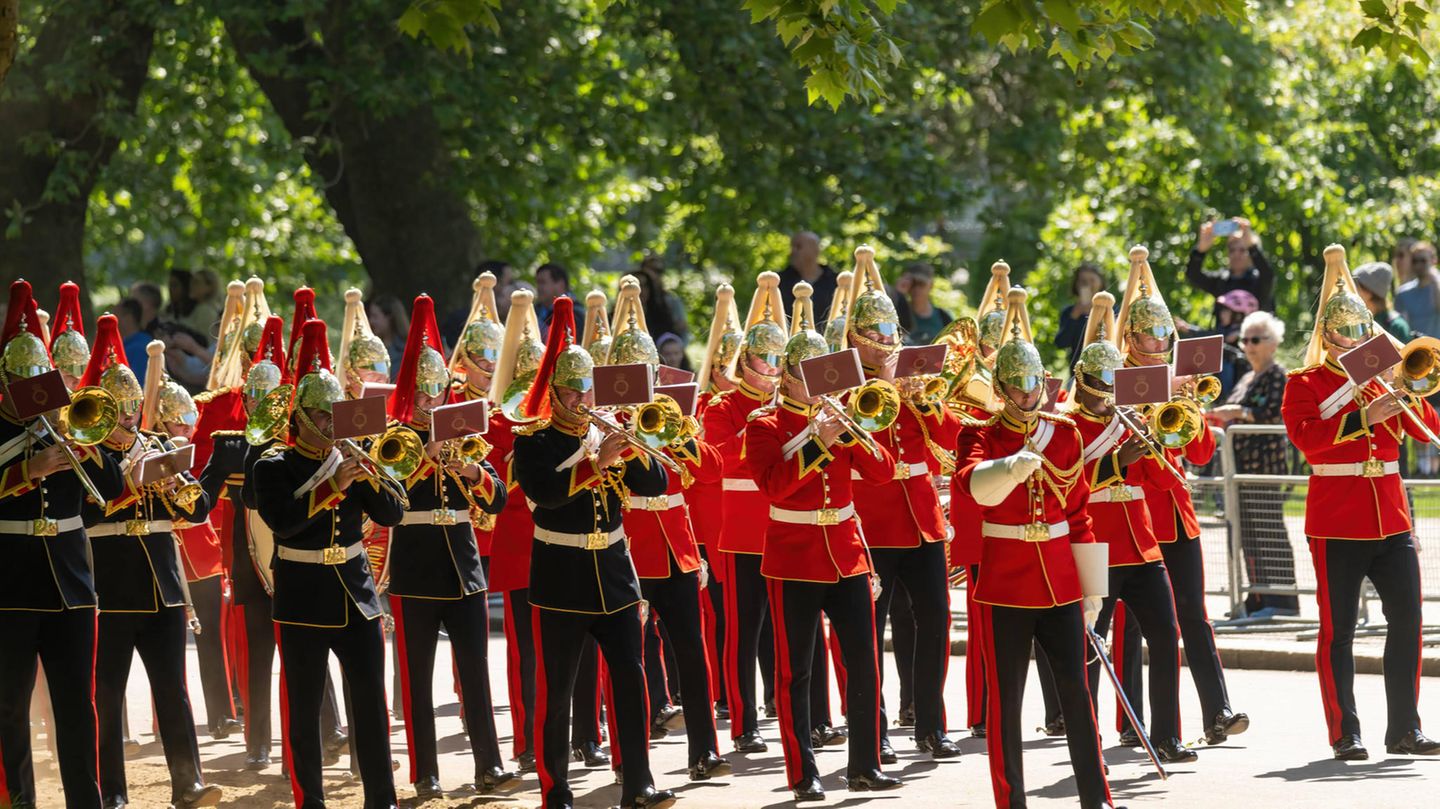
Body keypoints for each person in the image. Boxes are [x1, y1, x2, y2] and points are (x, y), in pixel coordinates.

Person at [511, 295, 677, 809]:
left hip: (615, 572)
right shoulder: (533, 440)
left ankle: (638, 783)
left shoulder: (607, 428)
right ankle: (555, 791)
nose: (581, 398)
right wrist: (596, 461)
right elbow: (546, 494)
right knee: (557, 691)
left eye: (587, 389)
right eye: (571, 390)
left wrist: (630, 441)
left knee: (631, 678)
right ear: (554, 393)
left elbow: (655, 483)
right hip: (561, 576)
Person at [954, 286, 1114, 809]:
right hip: (1006, 583)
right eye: (1018, 386)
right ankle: (1011, 801)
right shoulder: (980, 436)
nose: (1029, 395)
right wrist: (1008, 466)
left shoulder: (1063, 434)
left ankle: (1096, 797)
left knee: (1077, 694)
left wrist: (1093, 590)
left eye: (1034, 384)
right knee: (1007, 702)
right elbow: (972, 487)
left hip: (1061, 581)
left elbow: (1080, 515)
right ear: (1001, 388)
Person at [1282, 246, 1440, 761]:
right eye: (1346, 331)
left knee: (1408, 622)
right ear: (1328, 336)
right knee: (1339, 633)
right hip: (1337, 521)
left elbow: (1428, 431)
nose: (1355, 338)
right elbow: (1308, 440)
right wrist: (1363, 417)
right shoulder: (1305, 383)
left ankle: (1405, 728)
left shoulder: (1383, 376)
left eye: (1360, 329)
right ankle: (1344, 732)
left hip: (1391, 518)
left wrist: (1407, 390)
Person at [747, 276, 900, 801]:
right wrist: (818, 442)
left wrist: (858, 430)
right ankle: (802, 772)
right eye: (806, 378)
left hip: (847, 554)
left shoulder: (840, 415)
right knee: (796, 673)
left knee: (864, 664)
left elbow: (882, 473)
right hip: (793, 557)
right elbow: (774, 486)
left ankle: (865, 763)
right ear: (788, 378)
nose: (816, 389)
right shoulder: (764, 423)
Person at [252, 320, 404, 808]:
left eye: (333, 414)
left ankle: (381, 798)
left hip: (356, 594)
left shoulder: (350, 456)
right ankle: (310, 801)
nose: (330, 423)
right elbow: (284, 523)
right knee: (304, 711)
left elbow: (392, 513)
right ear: (300, 417)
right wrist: (333, 486)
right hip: (303, 596)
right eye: (321, 414)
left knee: (371, 705)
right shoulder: (273, 466)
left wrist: (370, 471)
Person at [80, 320, 221, 809]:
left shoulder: (157, 445)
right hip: (111, 587)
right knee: (107, 695)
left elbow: (198, 510)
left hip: (163, 586)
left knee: (173, 690)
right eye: (118, 411)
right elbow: (86, 511)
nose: (127, 418)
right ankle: (112, 792)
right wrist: (130, 481)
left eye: (132, 409)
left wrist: (177, 486)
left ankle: (188, 782)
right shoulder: (88, 457)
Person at [382, 295, 518, 799]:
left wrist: (471, 470)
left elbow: (497, 499)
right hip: (415, 563)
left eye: (437, 391)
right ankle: (425, 772)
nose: (431, 400)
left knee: (476, 672)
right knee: (417, 678)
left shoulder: (465, 429)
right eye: (423, 392)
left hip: (463, 563)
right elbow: (388, 498)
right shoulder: (392, 435)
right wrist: (428, 456)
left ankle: (490, 764)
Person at [1114, 246, 1248, 747]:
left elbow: (1200, 451)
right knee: (1132, 624)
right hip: (1135, 515)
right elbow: (1128, 458)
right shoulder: (1116, 379)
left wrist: (1188, 402)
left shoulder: (1174, 381)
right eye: (1151, 335)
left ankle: (1218, 711)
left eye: (1164, 335)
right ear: (1132, 337)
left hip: (1176, 516)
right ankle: (1131, 718)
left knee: (1193, 611)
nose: (1159, 343)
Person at [0, 280, 125, 809]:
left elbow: (113, 490)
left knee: (77, 702)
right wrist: (27, 471)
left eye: (39, 378)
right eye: (23, 380)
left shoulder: (67, 420)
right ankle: (18, 800)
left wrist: (86, 445)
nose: (33, 389)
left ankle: (85, 801)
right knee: (9, 705)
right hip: (10, 581)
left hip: (71, 581)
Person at [1065, 292, 1196, 763]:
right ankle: (1088, 739)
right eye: (1102, 384)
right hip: (1095, 545)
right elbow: (1068, 481)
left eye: (1113, 383)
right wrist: (1119, 460)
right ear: (1083, 383)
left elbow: (1165, 479)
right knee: (1090, 647)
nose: (1108, 394)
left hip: (1141, 544)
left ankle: (1167, 735)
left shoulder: (1131, 421)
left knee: (1165, 635)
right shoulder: (1068, 427)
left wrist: (1157, 440)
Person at [842, 250, 962, 762]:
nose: (886, 341)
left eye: (891, 332)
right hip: (871, 520)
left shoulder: (915, 378)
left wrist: (926, 400)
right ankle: (874, 730)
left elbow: (951, 440)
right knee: (868, 632)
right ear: (855, 337)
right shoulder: (843, 383)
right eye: (876, 333)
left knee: (935, 621)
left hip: (921, 518)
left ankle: (931, 724)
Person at [608, 288, 730, 780]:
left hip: (676, 550)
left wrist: (682, 437)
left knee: (693, 656)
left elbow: (712, 471)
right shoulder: (608, 422)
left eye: (649, 372)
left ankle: (704, 750)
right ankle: (628, 759)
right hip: (630, 552)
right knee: (628, 662)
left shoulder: (675, 416)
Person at [703, 272, 788, 755]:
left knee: (792, 630)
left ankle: (803, 715)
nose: (772, 368)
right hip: (742, 530)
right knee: (743, 631)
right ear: (744, 361)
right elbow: (718, 459)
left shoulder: (787, 405)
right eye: (764, 359)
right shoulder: (723, 406)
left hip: (786, 523)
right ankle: (743, 722)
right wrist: (755, 427)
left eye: (779, 359)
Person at [150, 362, 241, 741]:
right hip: (164, 554)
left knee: (212, 639)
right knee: (165, 644)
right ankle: (164, 720)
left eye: (190, 421)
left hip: (201, 551)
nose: (187, 429)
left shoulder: (194, 452)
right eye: (178, 422)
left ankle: (222, 714)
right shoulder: (149, 451)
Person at [1209, 310, 1300, 617]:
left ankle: (1283, 600)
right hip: (1240, 469)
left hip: (1265, 468)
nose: (1249, 346)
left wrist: (1238, 413)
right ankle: (1258, 595)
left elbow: (1276, 413)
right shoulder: (1247, 377)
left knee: (1268, 531)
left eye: (1256, 340)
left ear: (1273, 343)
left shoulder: (1278, 375)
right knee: (1247, 534)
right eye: (1245, 340)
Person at [1184, 217, 1276, 323]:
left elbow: (1268, 275)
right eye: (1232, 250)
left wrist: (1252, 246)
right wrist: (1201, 250)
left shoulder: (1259, 281)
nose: (1236, 254)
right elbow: (1193, 275)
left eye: (1242, 250)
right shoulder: (1222, 281)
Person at [778, 231, 839, 325]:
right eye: (792, 247)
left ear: (815, 249)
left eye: (798, 246)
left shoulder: (836, 282)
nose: (793, 251)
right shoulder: (779, 281)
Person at [1054, 263, 1106, 370]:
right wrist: (1075, 314)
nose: (1088, 284)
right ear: (1076, 285)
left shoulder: (1111, 310)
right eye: (1083, 281)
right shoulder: (1069, 312)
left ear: (1100, 282)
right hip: (1078, 372)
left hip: (1106, 368)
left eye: (1092, 280)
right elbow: (1061, 343)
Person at [893, 262, 953, 346]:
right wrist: (898, 294)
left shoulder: (943, 317)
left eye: (921, 284)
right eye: (913, 284)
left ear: (931, 285)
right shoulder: (898, 313)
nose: (916, 289)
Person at [1354, 262, 1413, 342]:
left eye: (1355, 286)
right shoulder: (1355, 322)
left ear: (1368, 293)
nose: (1351, 291)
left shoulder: (1397, 326)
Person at [638, 255, 689, 344]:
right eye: (650, 269)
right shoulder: (634, 298)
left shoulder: (670, 300)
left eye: (659, 271)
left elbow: (682, 330)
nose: (653, 274)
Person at [1395, 241, 1440, 338]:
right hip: (1416, 346)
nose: (1418, 265)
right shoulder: (1403, 293)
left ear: (1434, 260)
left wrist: (1436, 281)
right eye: (1415, 261)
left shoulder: (1437, 287)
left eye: (1423, 260)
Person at [534, 263, 585, 343]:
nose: (538, 287)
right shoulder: (535, 310)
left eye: (543, 282)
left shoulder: (576, 313)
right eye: (538, 282)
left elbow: (566, 340)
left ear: (560, 284)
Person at [367, 294, 411, 374]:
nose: (371, 321)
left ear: (389, 317)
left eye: (375, 316)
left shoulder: (406, 351)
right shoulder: (369, 348)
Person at [115, 298, 153, 383]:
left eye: (116, 315)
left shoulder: (139, 348)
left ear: (128, 317)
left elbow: (139, 384)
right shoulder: (123, 345)